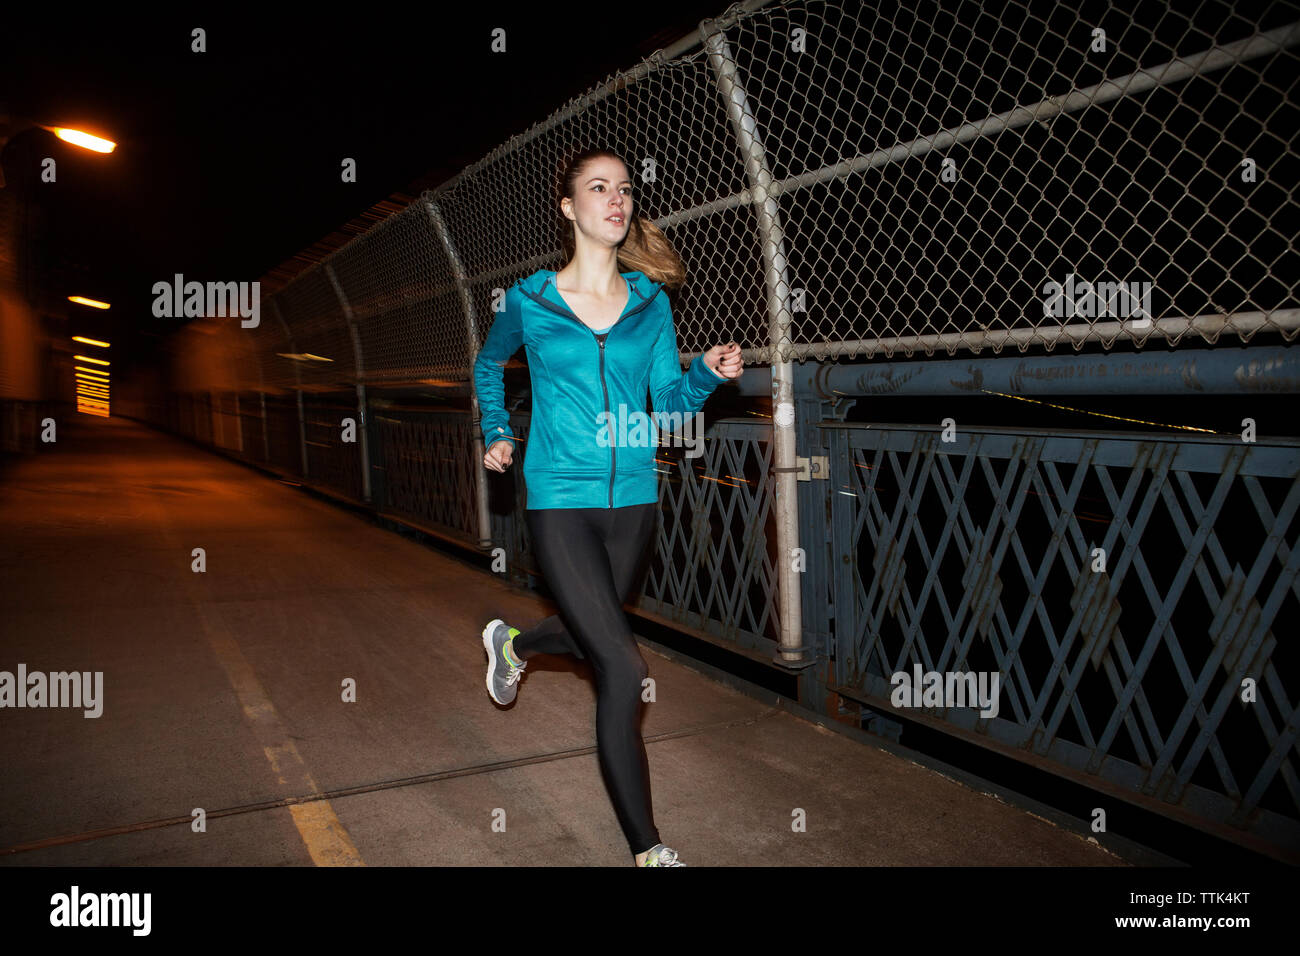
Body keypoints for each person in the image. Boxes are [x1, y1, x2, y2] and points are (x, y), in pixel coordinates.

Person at [472, 147, 743, 867]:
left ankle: (515, 646)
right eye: (598, 188)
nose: (615, 200)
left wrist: (706, 376)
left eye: (624, 189)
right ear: (569, 208)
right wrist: (496, 430)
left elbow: (667, 410)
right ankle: (650, 851)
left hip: (635, 503)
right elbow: (487, 361)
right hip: (560, 496)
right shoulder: (530, 301)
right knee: (622, 667)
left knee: (593, 641)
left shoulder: (651, 305)